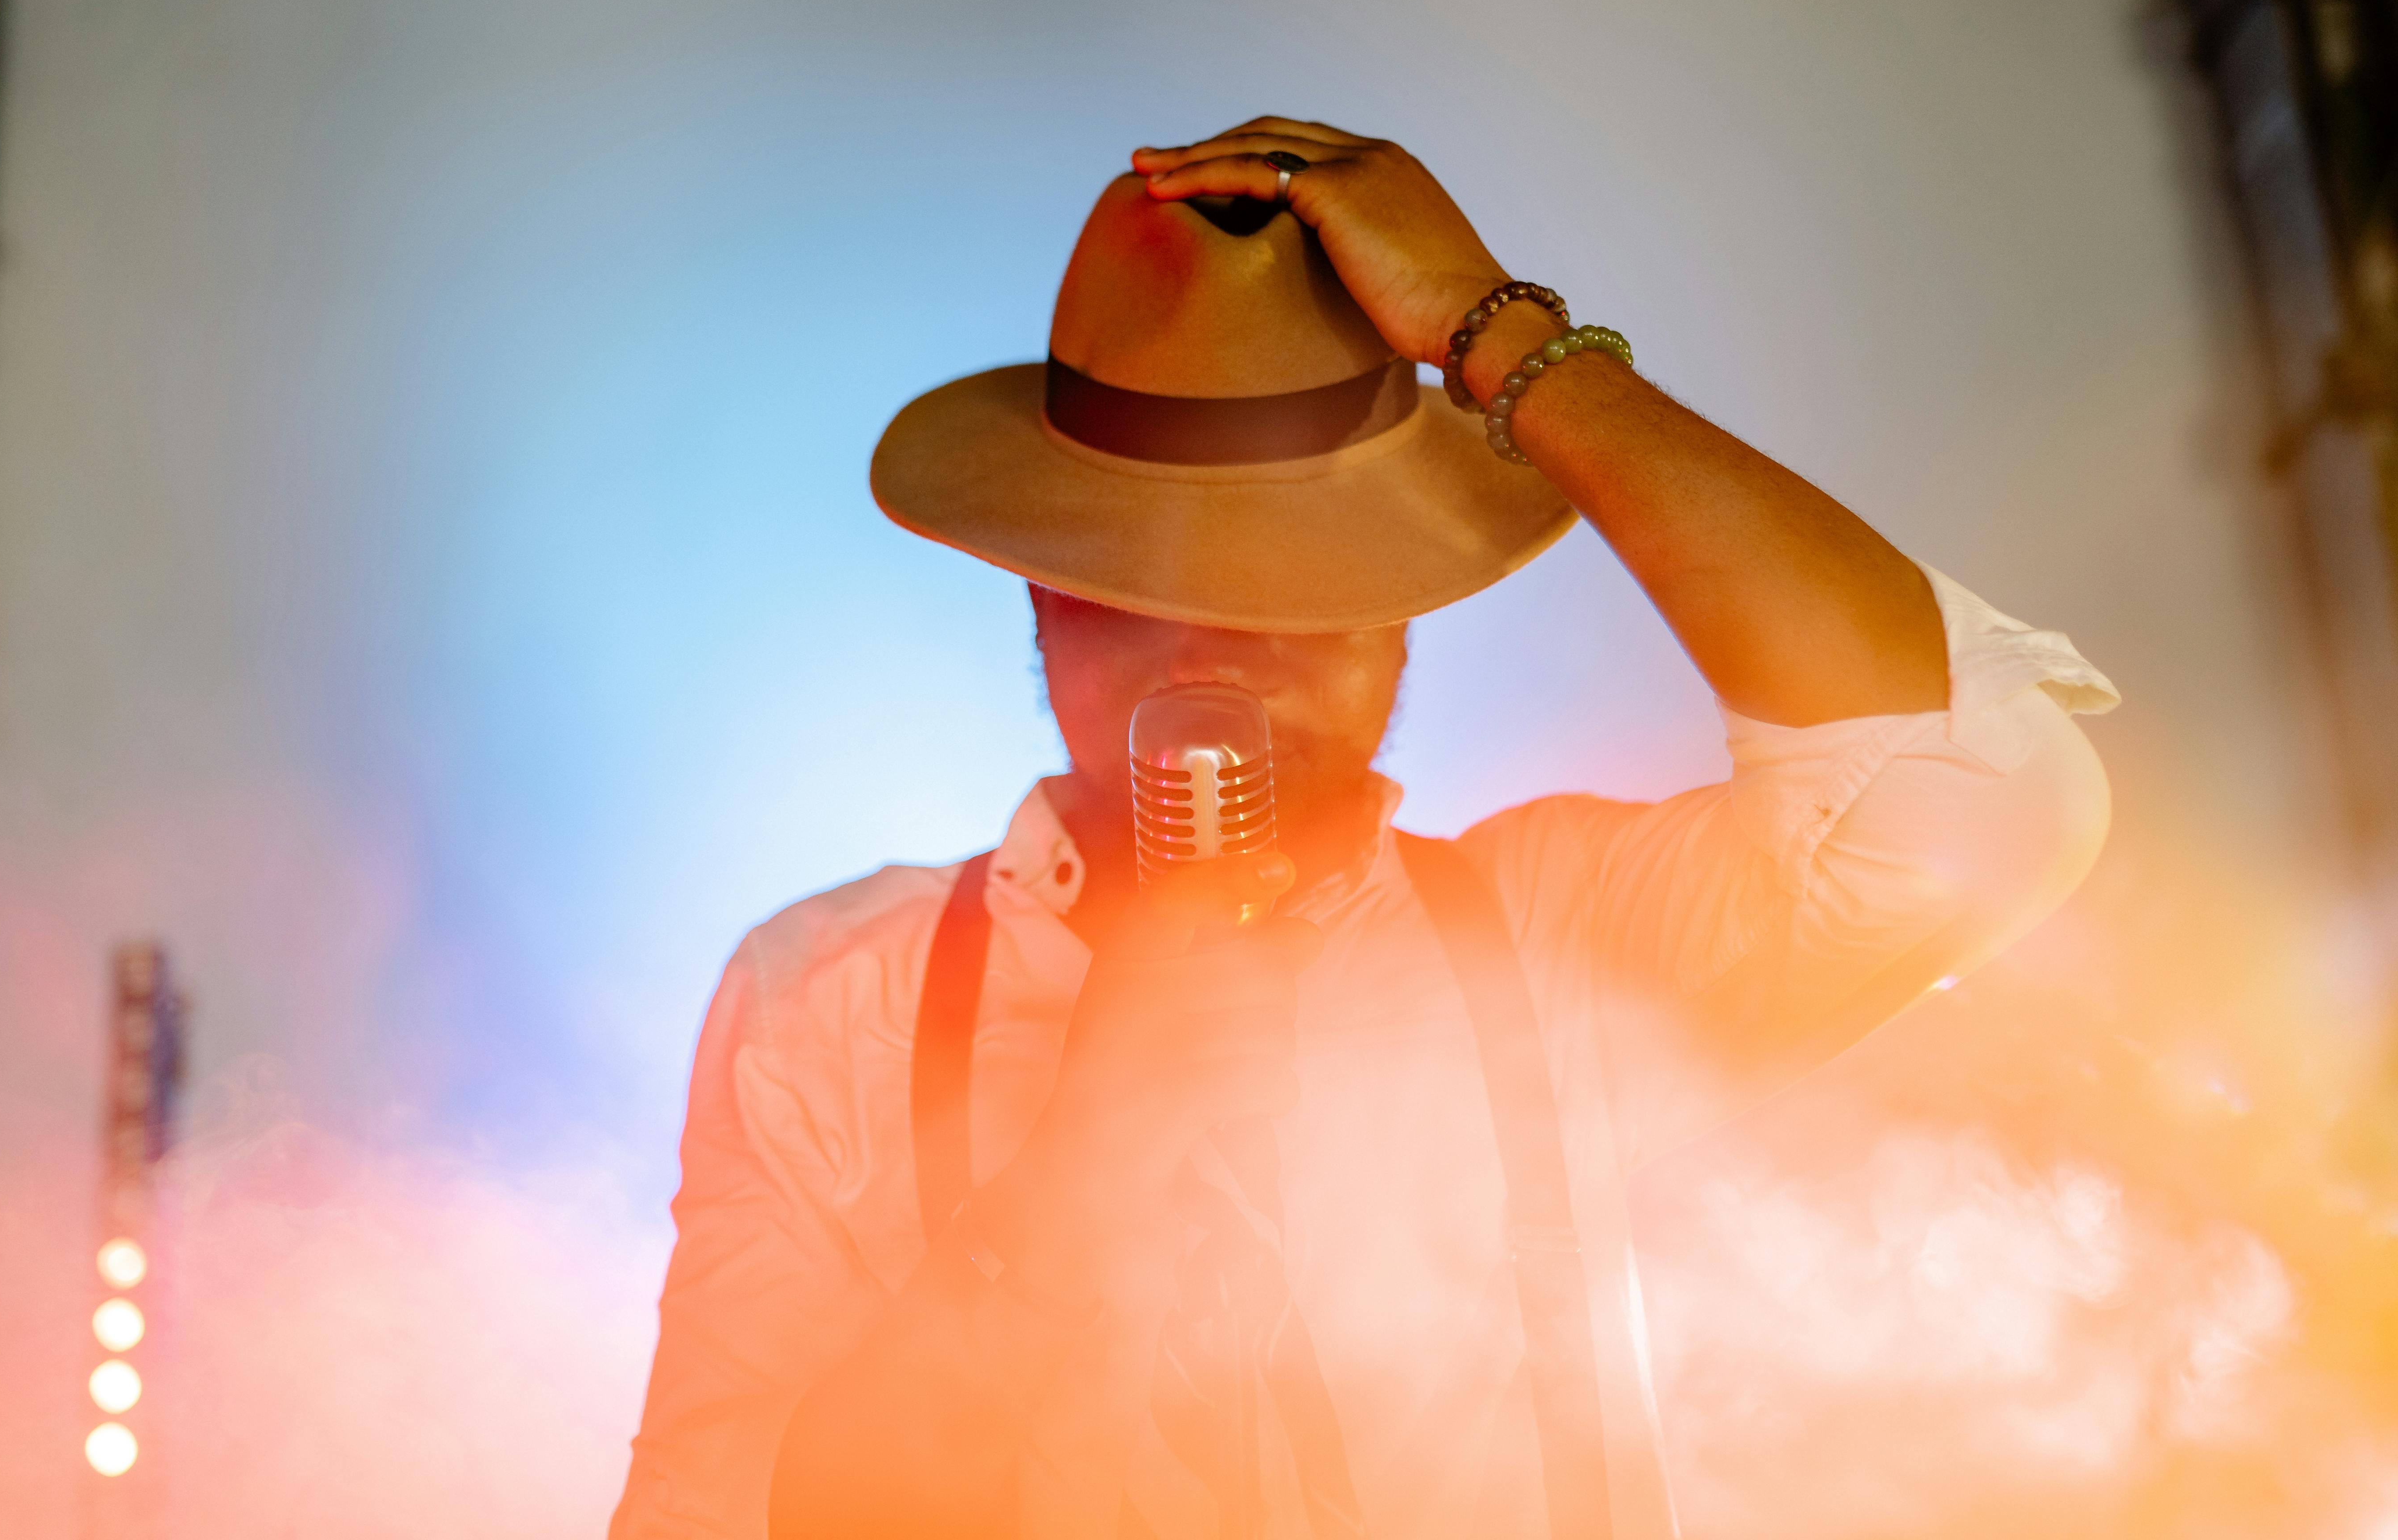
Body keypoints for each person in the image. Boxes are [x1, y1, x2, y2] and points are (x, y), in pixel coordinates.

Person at [610, 118, 2115, 1540]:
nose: (1220, 649)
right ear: (1043, 590)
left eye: (1298, 581)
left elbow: (1974, 801)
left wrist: (1501, 333)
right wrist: (1077, 1169)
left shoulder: (1558, 939)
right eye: (1148, 580)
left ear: (1402, 607)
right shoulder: (828, 1001)